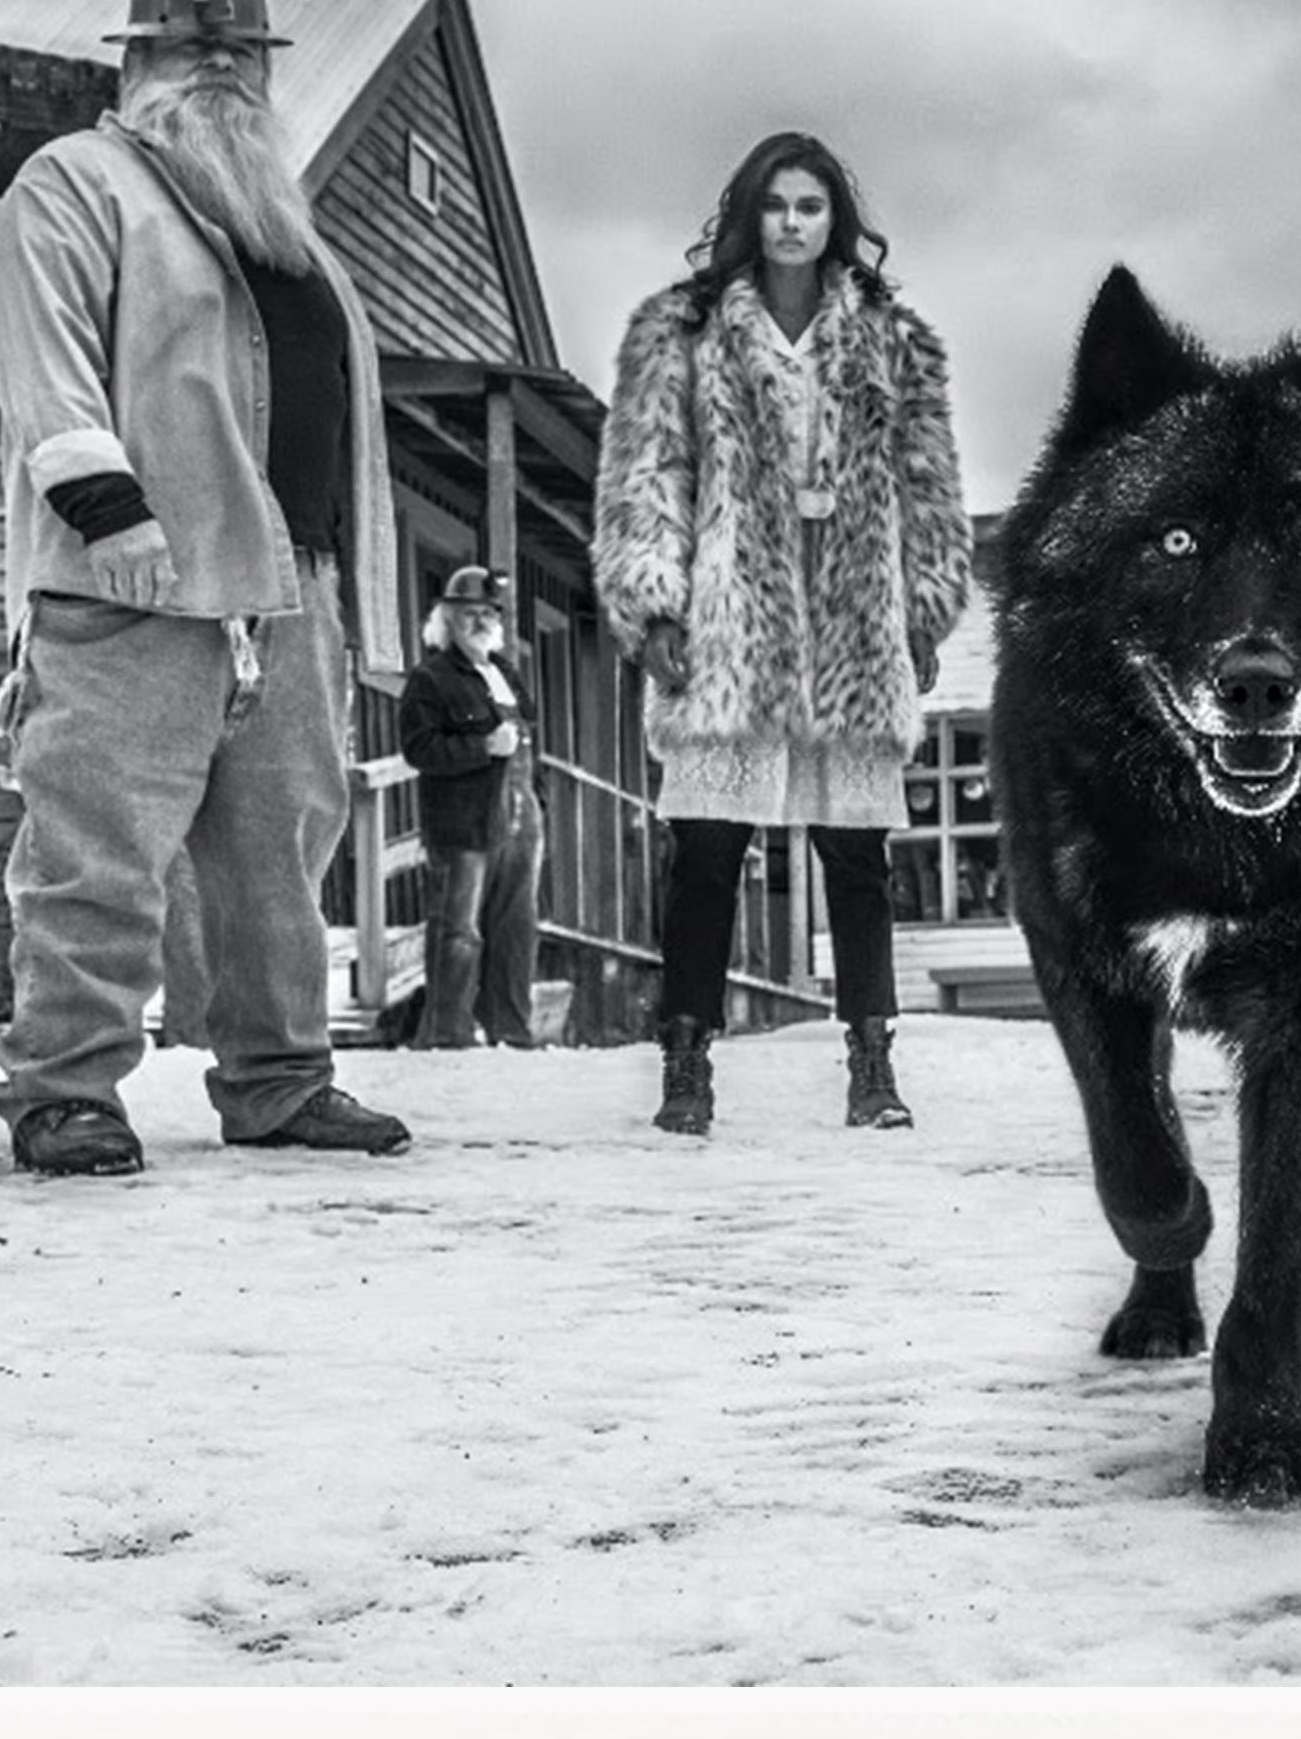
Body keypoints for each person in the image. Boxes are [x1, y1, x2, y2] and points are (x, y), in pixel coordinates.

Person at [0, 0, 414, 1177]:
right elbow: (42, 350)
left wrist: (345, 590)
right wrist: (106, 509)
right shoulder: (75, 182)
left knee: (281, 857)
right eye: (186, 48)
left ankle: (280, 1077)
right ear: (135, 63)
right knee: (98, 851)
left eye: (237, 54)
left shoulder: (283, 220)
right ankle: (65, 1087)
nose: (214, 69)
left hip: (288, 586)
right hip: (137, 574)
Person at [595, 129, 971, 1140]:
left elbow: (927, 481)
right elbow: (649, 467)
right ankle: (686, 1063)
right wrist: (655, 602)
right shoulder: (683, 330)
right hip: (735, 608)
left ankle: (872, 1063)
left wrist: (923, 605)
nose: (793, 222)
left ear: (834, 219)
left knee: (857, 851)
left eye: (810, 205)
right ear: (747, 216)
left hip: (851, 607)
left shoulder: (892, 338)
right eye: (776, 205)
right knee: (707, 845)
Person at [394, 564, 546, 1052]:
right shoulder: (430, 678)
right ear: (446, 620)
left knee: (516, 928)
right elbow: (418, 749)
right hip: (464, 821)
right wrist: (483, 747)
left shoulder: (505, 673)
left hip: (521, 817)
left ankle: (511, 1033)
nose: (479, 621)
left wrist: (536, 801)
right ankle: (447, 1034)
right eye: (467, 614)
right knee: (458, 930)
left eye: (487, 613)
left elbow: (530, 743)